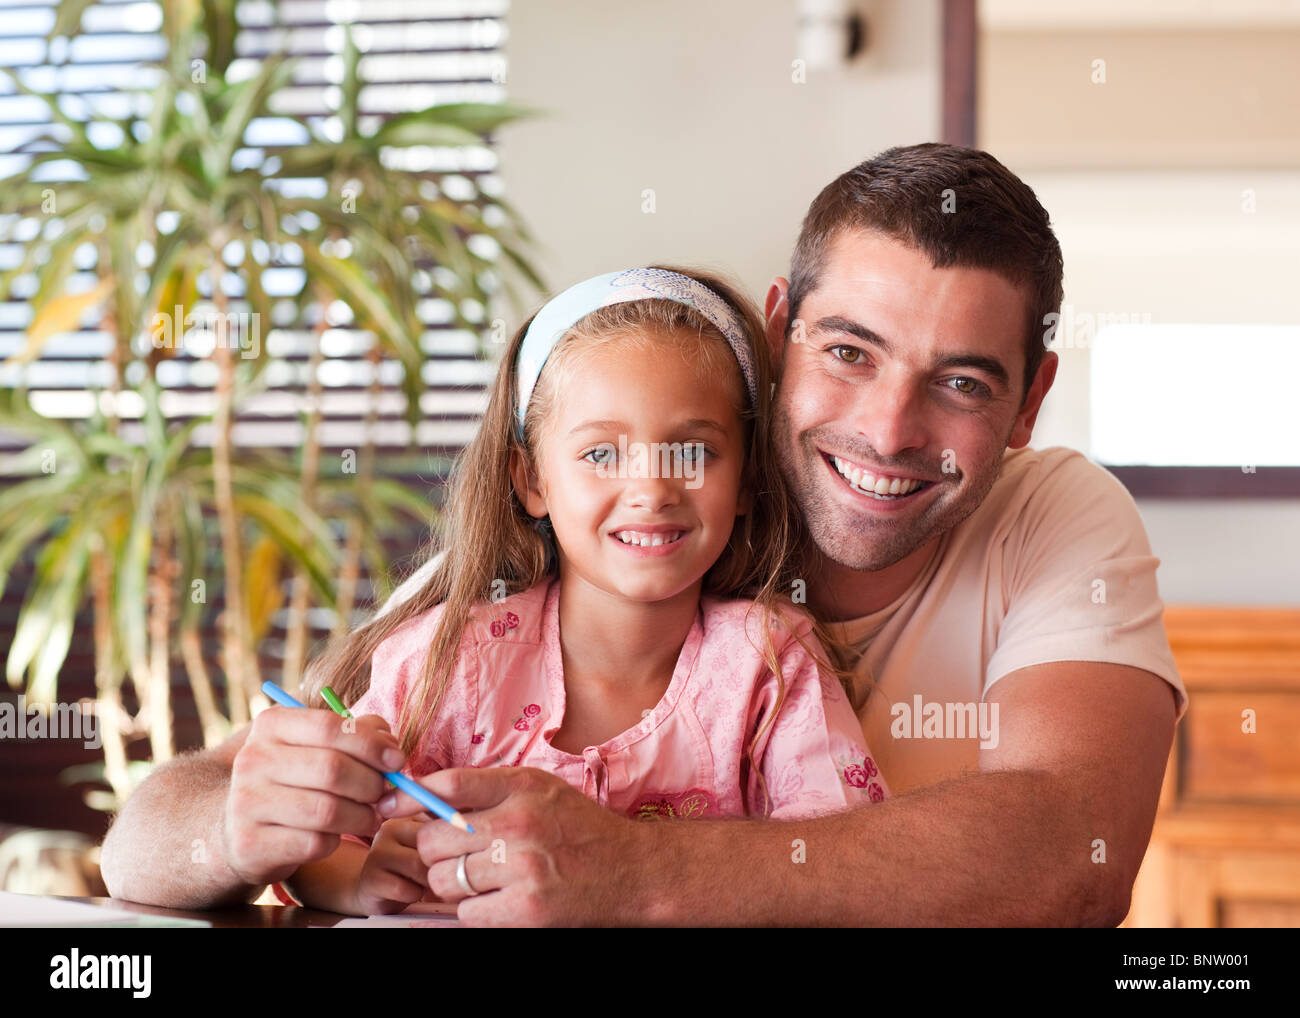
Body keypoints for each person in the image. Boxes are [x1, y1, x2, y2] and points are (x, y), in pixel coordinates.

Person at [101, 144, 1187, 925]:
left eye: (958, 381)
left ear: (1031, 397)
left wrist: (632, 871)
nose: (887, 430)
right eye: (849, 352)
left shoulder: (1050, 516)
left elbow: (1072, 858)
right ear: (781, 331)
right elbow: (155, 833)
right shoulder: (534, 573)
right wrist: (252, 834)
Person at [273, 265, 887, 915]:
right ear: (532, 479)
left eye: (693, 452)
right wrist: (364, 875)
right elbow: (313, 844)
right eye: (601, 455)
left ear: (745, 479)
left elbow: (841, 869)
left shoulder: (770, 662)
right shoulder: (448, 660)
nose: (652, 489)